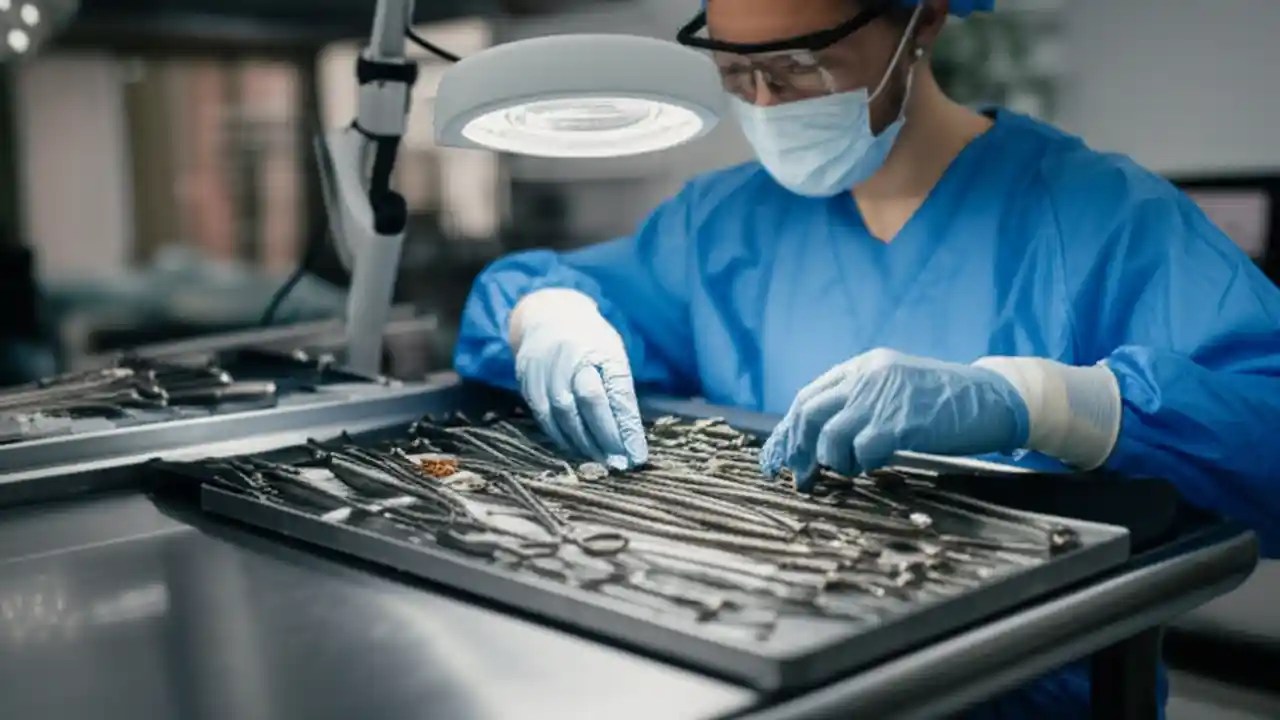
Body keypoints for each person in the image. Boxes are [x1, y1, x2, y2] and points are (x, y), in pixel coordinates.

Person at [454, 0, 1280, 715]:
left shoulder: (1098, 215)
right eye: (737, 74)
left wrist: (1046, 402)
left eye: (800, 67)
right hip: (756, 666)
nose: (766, 102)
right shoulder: (722, 224)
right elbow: (540, 293)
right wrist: (549, 316)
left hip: (1013, 694)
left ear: (923, 18)